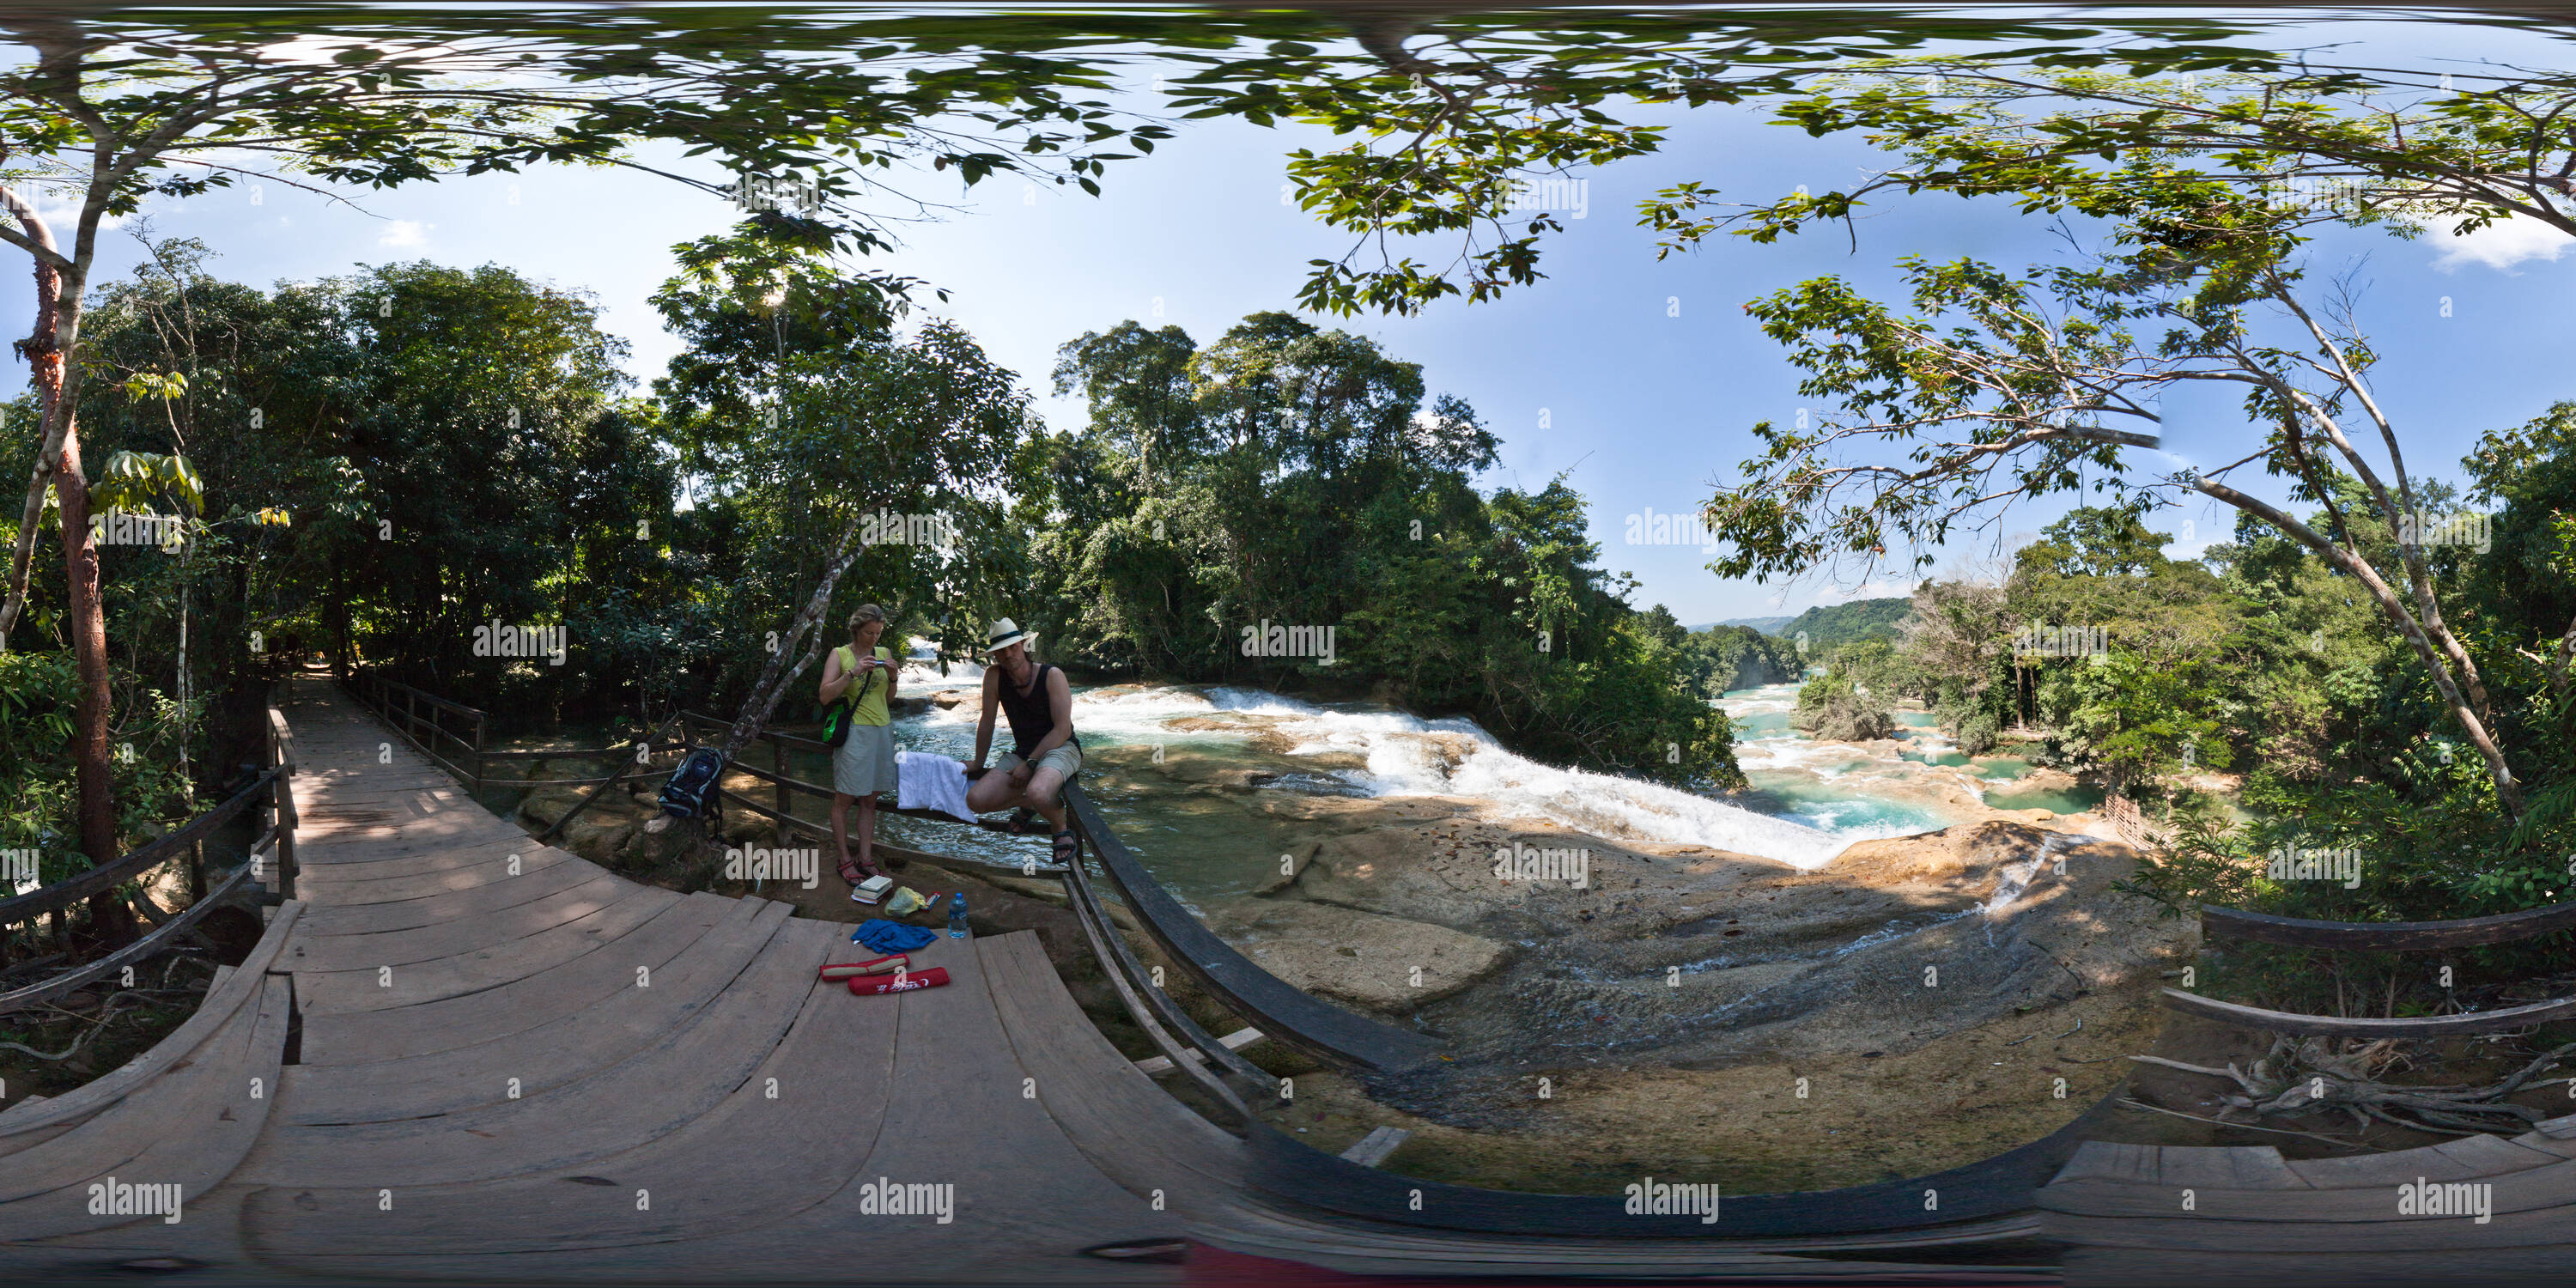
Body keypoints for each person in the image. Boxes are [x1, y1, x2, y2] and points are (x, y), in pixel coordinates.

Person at [965, 617, 1082, 866]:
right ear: (994, 655)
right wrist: (978, 762)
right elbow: (987, 721)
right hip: (1023, 752)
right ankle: (1030, 804)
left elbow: (1062, 729)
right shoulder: (994, 677)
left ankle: (1060, 826)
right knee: (976, 800)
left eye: (1013, 647)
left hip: (1061, 747)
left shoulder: (1052, 676)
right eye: (1001, 651)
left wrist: (1030, 764)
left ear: (1024, 645)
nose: (1008, 655)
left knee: (1039, 790)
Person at [822, 605, 897, 890]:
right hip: (854, 734)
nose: (874, 638)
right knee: (844, 800)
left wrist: (893, 677)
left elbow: (889, 699)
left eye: (878, 633)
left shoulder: (884, 653)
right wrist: (852, 673)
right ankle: (844, 859)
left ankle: (865, 856)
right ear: (856, 629)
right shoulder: (839, 654)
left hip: (882, 731)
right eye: (869, 633)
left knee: (870, 800)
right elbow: (825, 696)